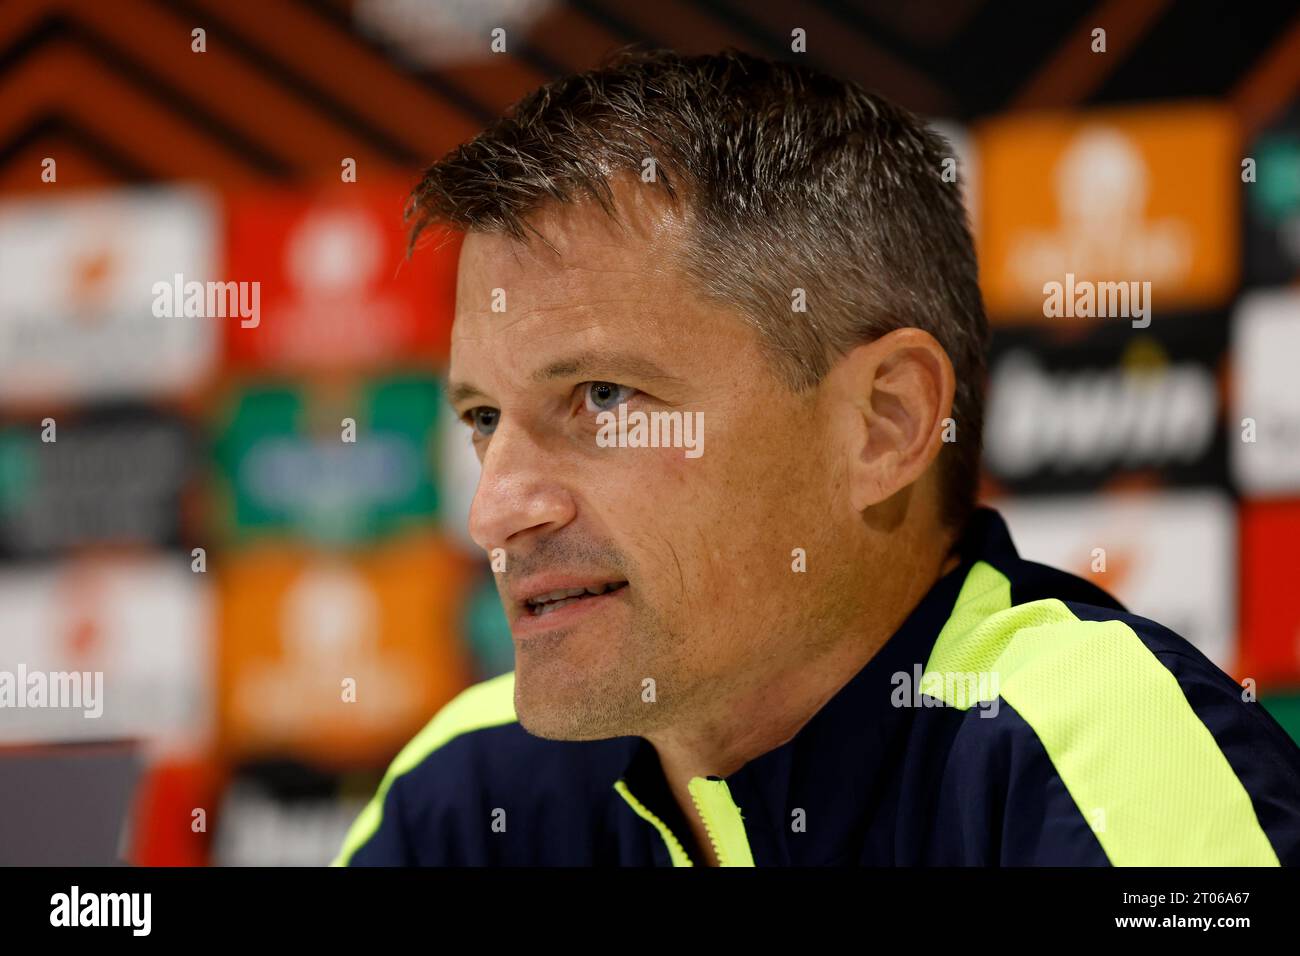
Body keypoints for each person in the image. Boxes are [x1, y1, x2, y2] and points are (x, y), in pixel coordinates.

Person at [334, 48, 1300, 866]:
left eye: (605, 398)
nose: (495, 513)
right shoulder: (464, 792)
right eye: (482, 417)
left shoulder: (1107, 757)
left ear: (883, 424)